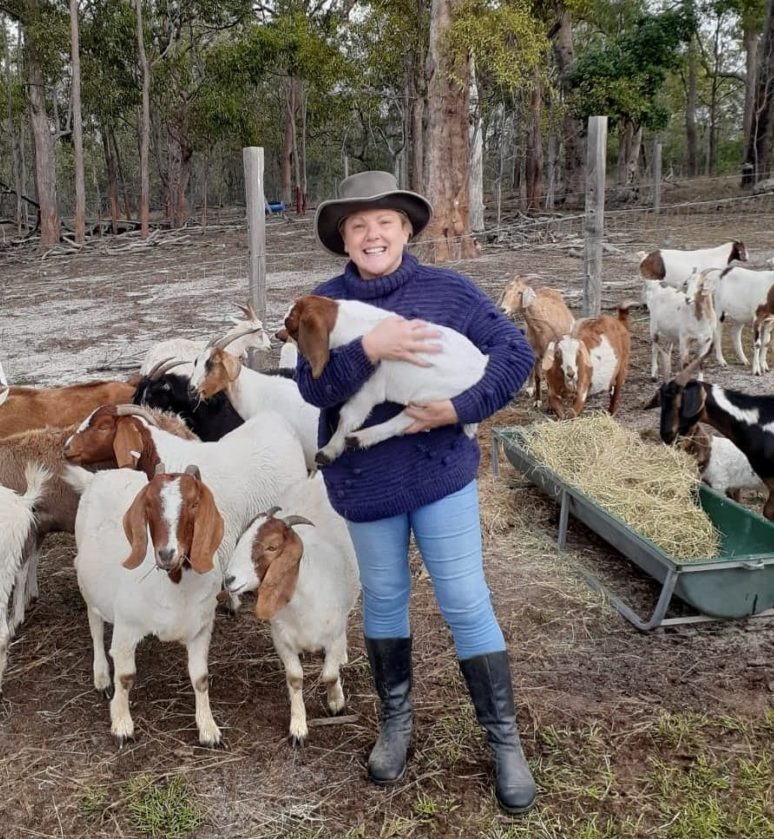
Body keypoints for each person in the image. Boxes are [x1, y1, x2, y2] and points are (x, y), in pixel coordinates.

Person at [293, 171, 537, 814]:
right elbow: (314, 390)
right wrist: (371, 346)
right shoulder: (321, 305)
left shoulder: (448, 291)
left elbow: (514, 352)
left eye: (384, 222)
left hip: (439, 472)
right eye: (358, 225)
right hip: (368, 483)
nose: (372, 234)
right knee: (385, 596)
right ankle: (396, 723)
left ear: (405, 230)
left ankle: (503, 740)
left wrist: (460, 407)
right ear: (344, 240)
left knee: (462, 597)